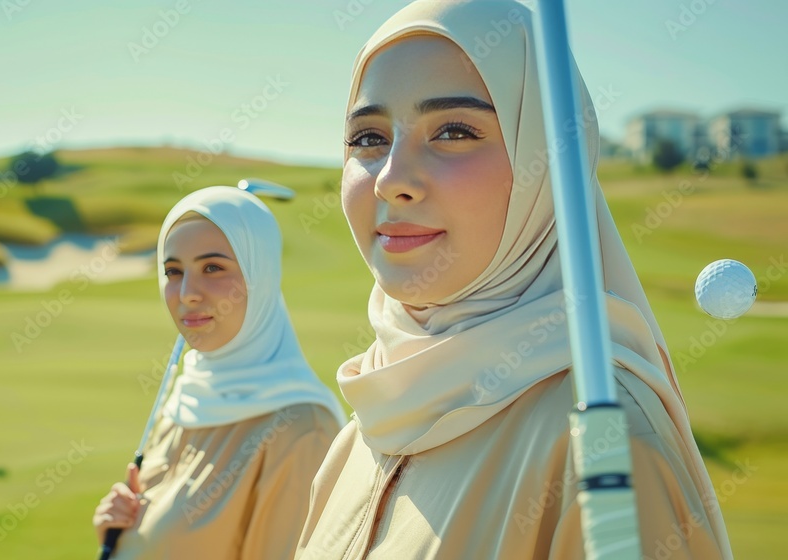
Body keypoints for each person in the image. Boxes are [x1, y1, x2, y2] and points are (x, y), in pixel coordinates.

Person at [294, 1, 733, 558]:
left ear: (545, 164)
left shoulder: (606, 442)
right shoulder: (359, 433)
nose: (391, 180)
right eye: (368, 138)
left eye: (453, 131)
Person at [92, 186, 345, 559]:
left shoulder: (302, 430)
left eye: (213, 267)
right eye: (173, 271)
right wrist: (117, 539)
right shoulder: (186, 400)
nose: (187, 293)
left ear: (260, 277)